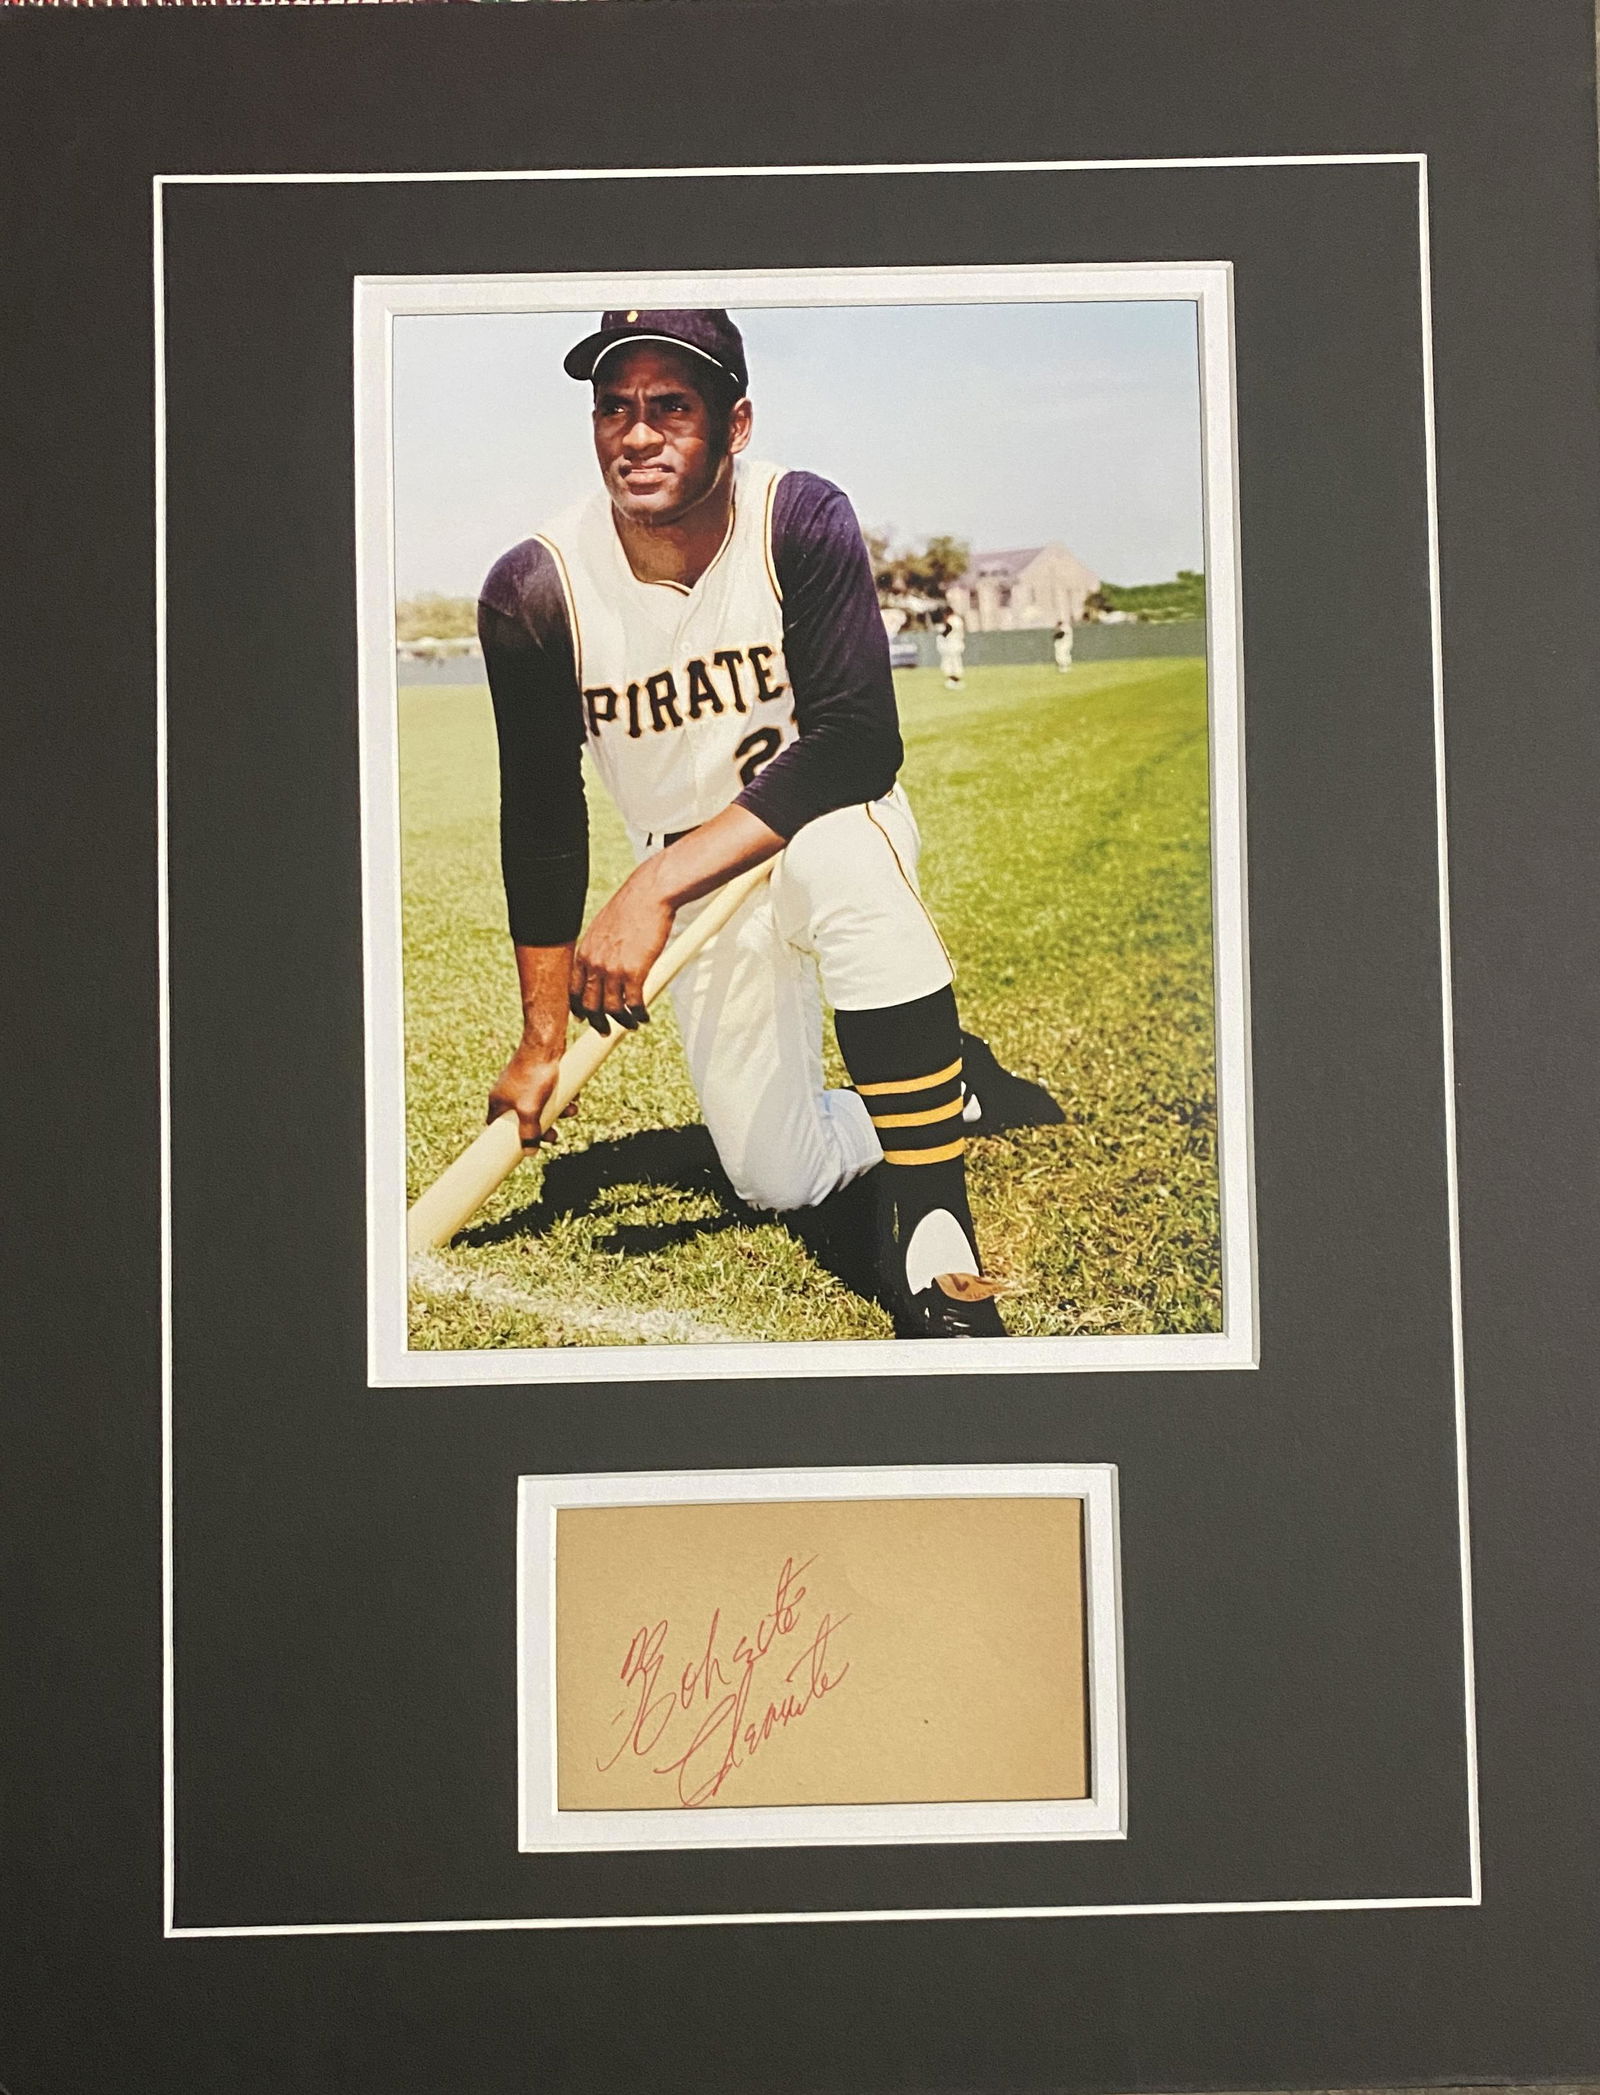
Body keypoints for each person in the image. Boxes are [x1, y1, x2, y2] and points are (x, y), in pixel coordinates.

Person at [477, 310, 1059, 1340]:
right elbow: (541, 815)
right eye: (614, 408)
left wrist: (651, 887)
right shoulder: (536, 589)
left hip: (813, 820)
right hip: (691, 877)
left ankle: (935, 1233)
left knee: (847, 859)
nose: (636, 434)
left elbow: (856, 745)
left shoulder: (798, 516)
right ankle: (949, 1083)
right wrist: (540, 1037)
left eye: (671, 408)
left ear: (734, 425)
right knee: (775, 1175)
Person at [936, 608, 966, 689]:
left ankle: (952, 681)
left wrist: (942, 633)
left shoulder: (952, 619)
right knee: (956, 662)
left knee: (949, 663)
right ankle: (955, 681)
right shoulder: (958, 619)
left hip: (951, 645)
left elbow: (948, 629)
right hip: (957, 643)